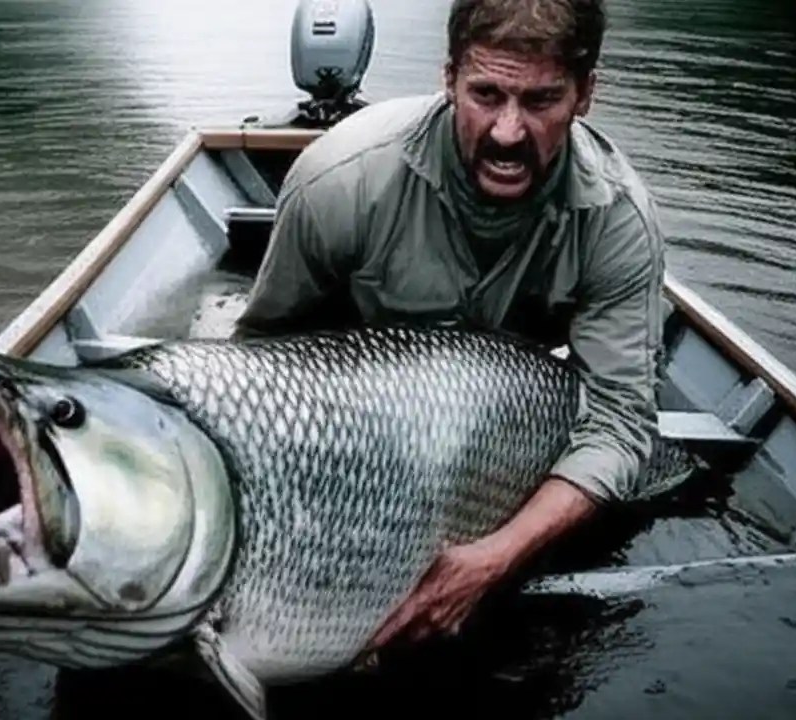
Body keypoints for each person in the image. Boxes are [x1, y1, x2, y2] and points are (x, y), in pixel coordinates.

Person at [233, 0, 666, 651]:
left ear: (586, 95)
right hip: (351, 431)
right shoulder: (339, 182)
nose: (509, 132)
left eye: (542, 100)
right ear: (449, 77)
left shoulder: (618, 222)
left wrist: (494, 558)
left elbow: (619, 419)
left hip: (502, 434)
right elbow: (260, 362)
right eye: (486, 94)